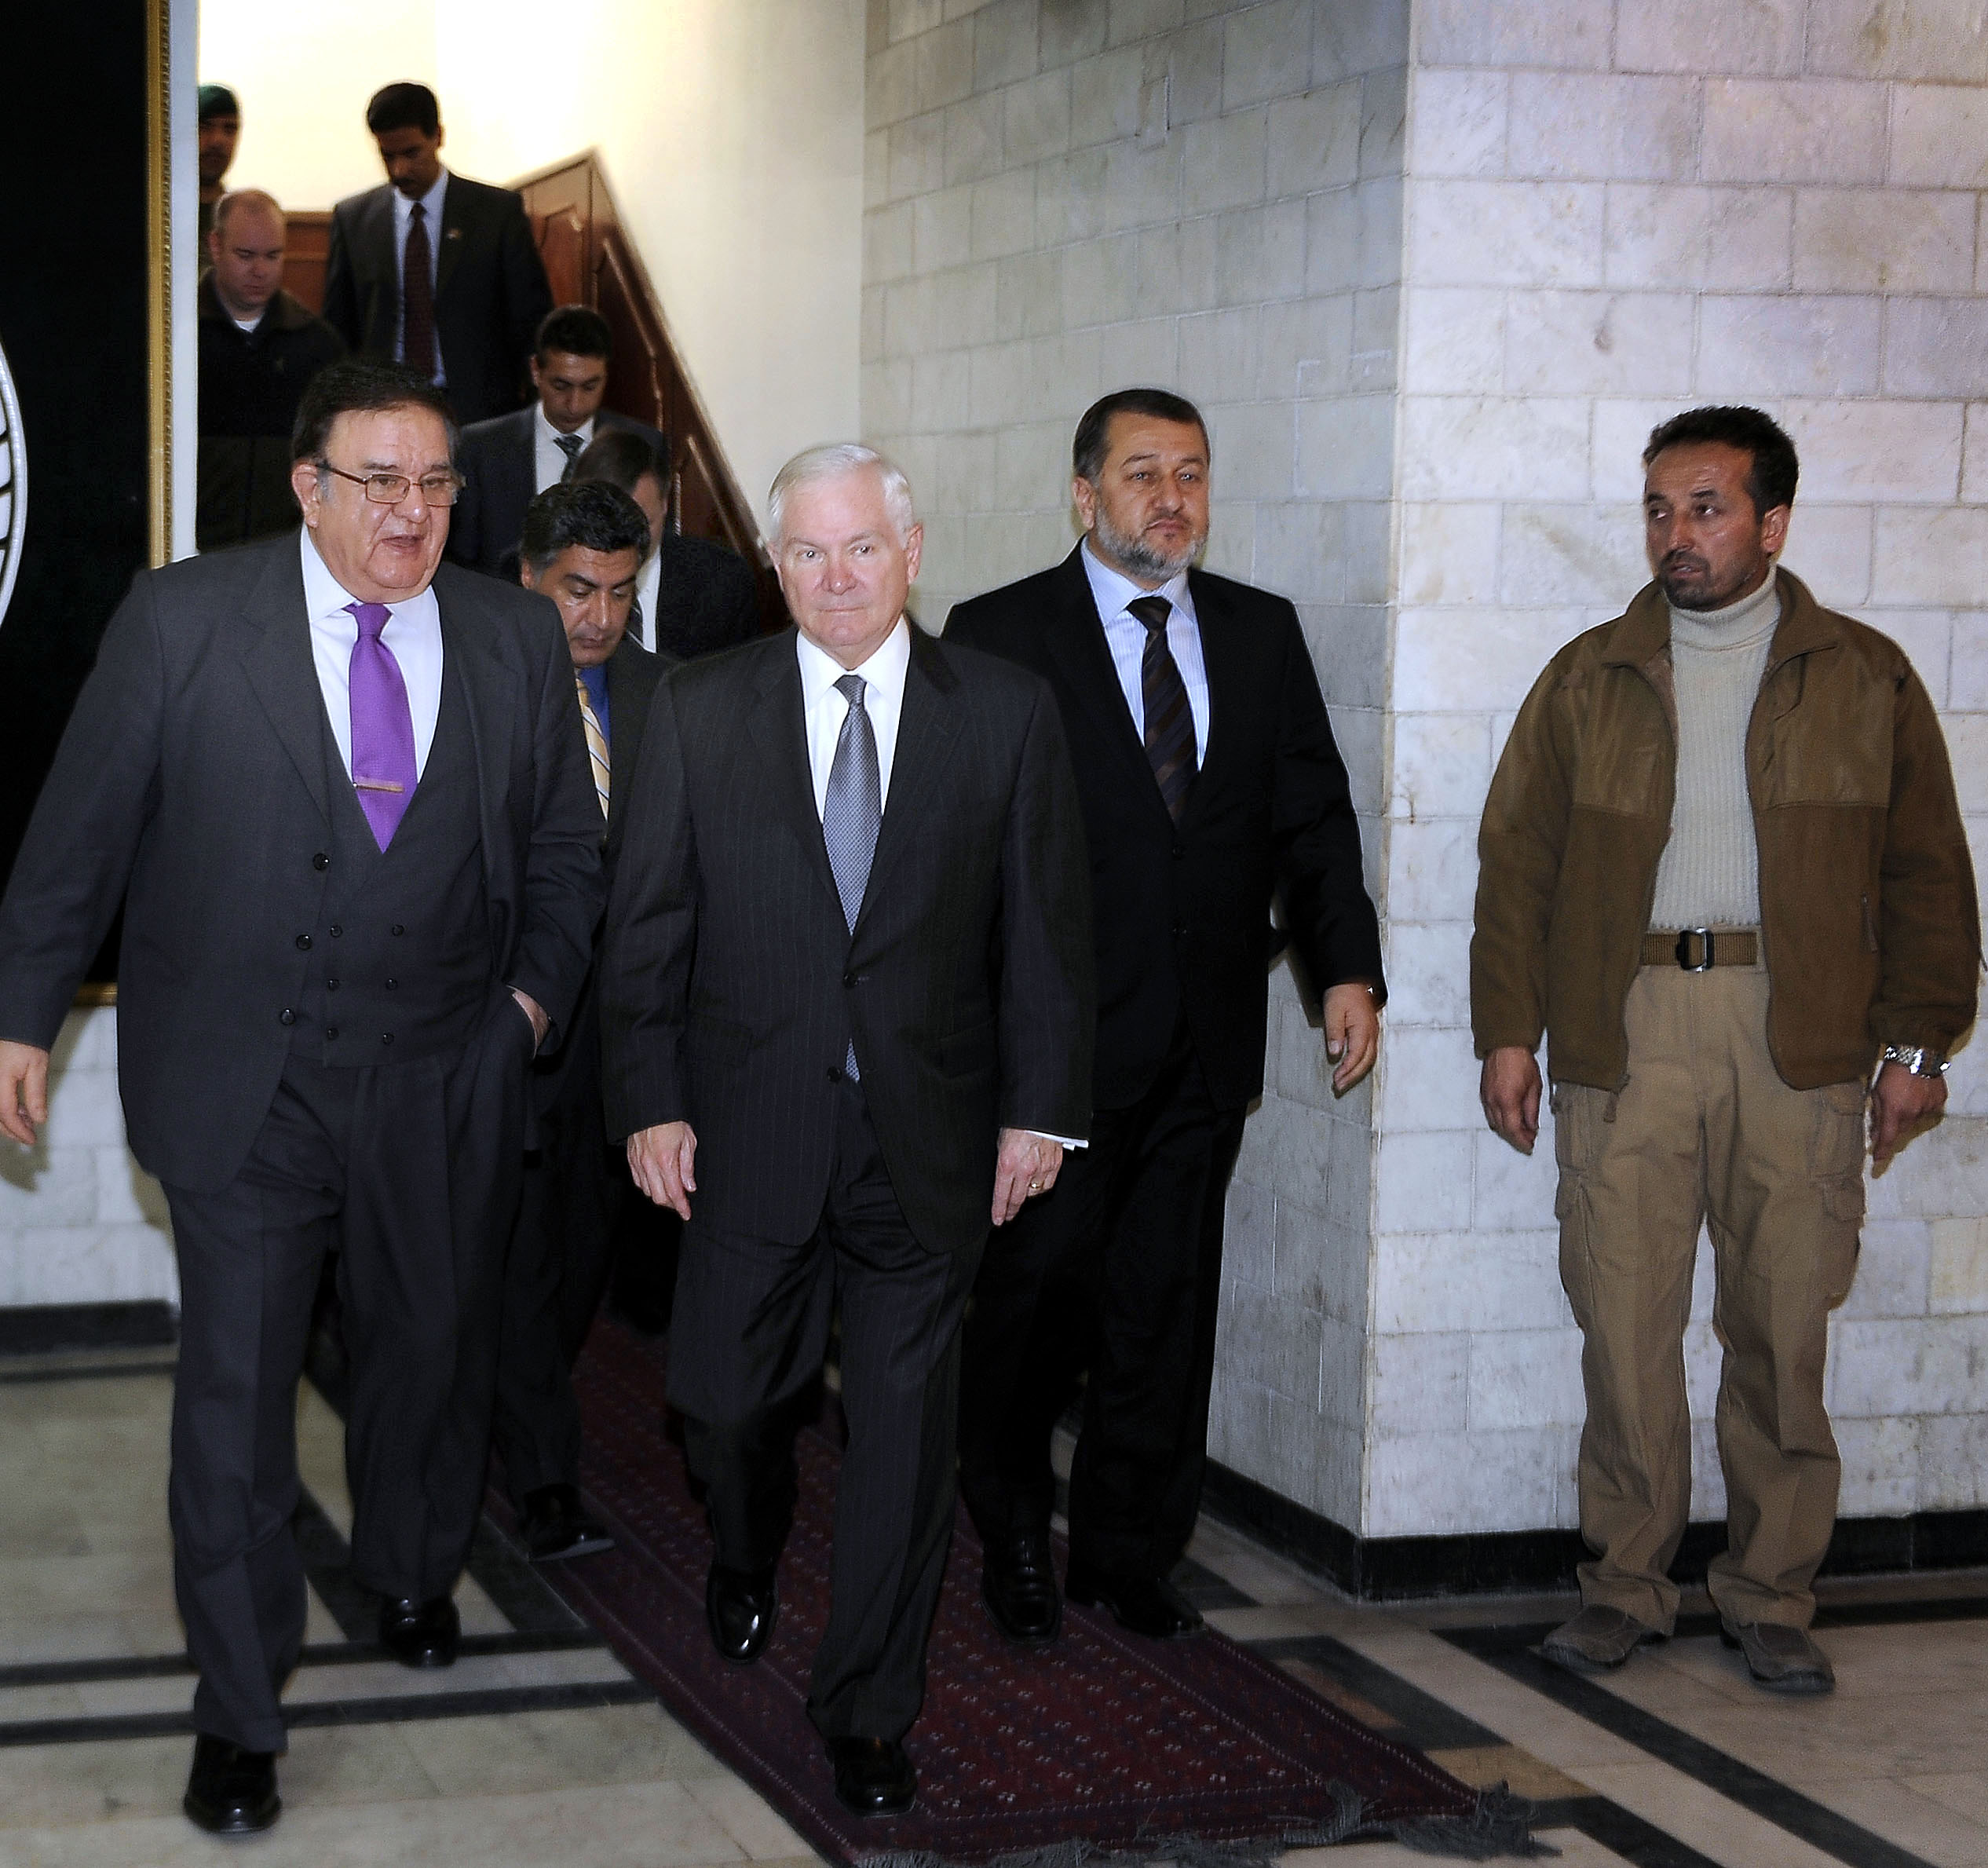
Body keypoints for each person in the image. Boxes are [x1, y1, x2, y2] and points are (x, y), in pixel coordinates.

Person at [0, 358, 601, 1838]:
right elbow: (83, 835)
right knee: (238, 1404)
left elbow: (572, 852)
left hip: (445, 1071)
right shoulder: (184, 621)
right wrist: (20, 1013)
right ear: (309, 485)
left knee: (429, 1358)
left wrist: (524, 1008)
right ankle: (241, 1704)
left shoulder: (515, 639)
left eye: (437, 481)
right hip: (243, 1086)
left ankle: (409, 1562)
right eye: (378, 480)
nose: (412, 510)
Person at [601, 442, 1092, 1817]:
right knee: (720, 1404)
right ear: (776, 564)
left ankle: (870, 1702)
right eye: (806, 553)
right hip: (747, 1134)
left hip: (928, 1152)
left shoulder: (1003, 712)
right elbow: (644, 928)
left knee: (903, 1439)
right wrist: (647, 1097)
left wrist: (1039, 1112)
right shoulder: (702, 710)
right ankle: (743, 1543)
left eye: (860, 548)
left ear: (913, 550)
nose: (834, 578)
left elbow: (1045, 934)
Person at [1471, 406, 1976, 1697]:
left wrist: (1919, 1044)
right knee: (1623, 1318)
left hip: (1796, 1038)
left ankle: (1770, 1591)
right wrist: (1507, 1033)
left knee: (1781, 1321)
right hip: (1623, 1026)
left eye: (1705, 506)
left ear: (1773, 522)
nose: (1676, 533)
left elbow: (1929, 874)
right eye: (1658, 507)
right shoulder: (1590, 676)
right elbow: (1516, 865)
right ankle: (1625, 1583)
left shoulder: (1864, 677)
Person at [944, 389, 1383, 1647]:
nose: (1171, 497)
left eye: (1190, 472)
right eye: (1143, 473)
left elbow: (1311, 814)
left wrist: (1343, 969)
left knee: (1163, 1310)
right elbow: (965, 845)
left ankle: (1132, 1550)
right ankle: (1016, 1529)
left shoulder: (1258, 632)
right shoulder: (999, 633)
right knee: (1036, 1305)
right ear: (1085, 491)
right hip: (1056, 1056)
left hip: (1201, 1042)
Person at [493, 481, 671, 1564]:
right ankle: (545, 1476)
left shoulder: (668, 694)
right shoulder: (482, 684)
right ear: (529, 576)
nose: (599, 615)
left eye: (618, 590)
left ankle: (517, 1412)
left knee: (580, 1254)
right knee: (518, 1257)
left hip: (625, 1040)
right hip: (511, 1025)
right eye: (577, 589)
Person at [319, 82, 554, 426]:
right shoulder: (353, 220)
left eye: (411, 153)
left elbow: (529, 319)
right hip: (381, 411)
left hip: (480, 412)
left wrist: (535, 410)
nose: (399, 170)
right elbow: (337, 329)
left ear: (438, 137)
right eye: (388, 156)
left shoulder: (496, 214)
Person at [447, 305, 660, 572]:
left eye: (590, 387)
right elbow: (462, 561)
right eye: (561, 386)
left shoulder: (644, 446)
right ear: (536, 371)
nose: (575, 404)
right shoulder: (480, 449)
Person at [199, 189, 346, 550]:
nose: (260, 271)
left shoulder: (318, 345)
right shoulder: (177, 341)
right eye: (245, 256)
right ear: (215, 247)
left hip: (287, 545)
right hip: (195, 540)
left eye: (273, 256)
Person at [566, 429, 763, 661]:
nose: (627, 543)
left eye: (641, 525)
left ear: (664, 504)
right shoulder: (545, 581)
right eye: (609, 526)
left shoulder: (724, 583)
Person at [198, 85, 240, 251]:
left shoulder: (238, 218)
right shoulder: (161, 213)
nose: (217, 140)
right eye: (205, 127)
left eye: (229, 129)